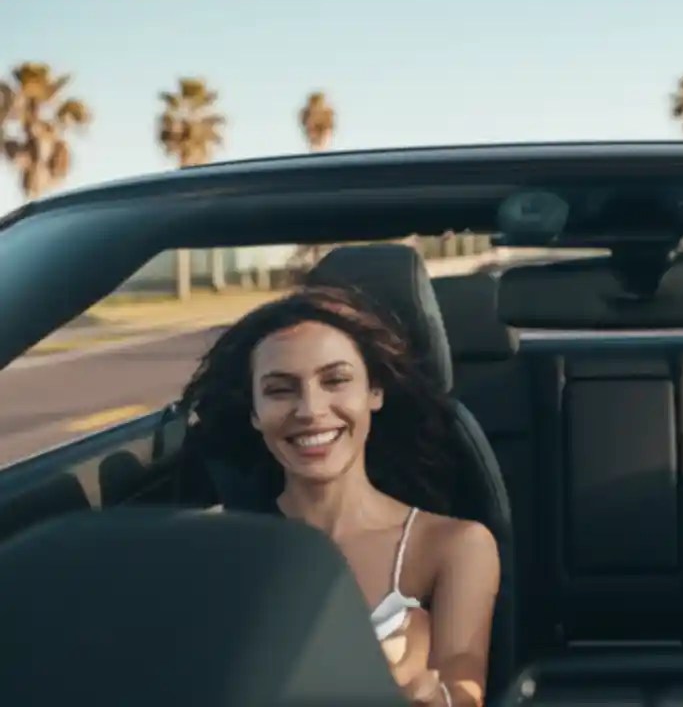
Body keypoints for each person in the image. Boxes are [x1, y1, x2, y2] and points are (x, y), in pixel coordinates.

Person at [180, 286, 499, 707]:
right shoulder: (216, 542)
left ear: (375, 392)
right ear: (255, 412)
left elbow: (464, 686)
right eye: (280, 390)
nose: (311, 409)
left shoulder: (454, 546)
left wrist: (425, 692)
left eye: (335, 380)